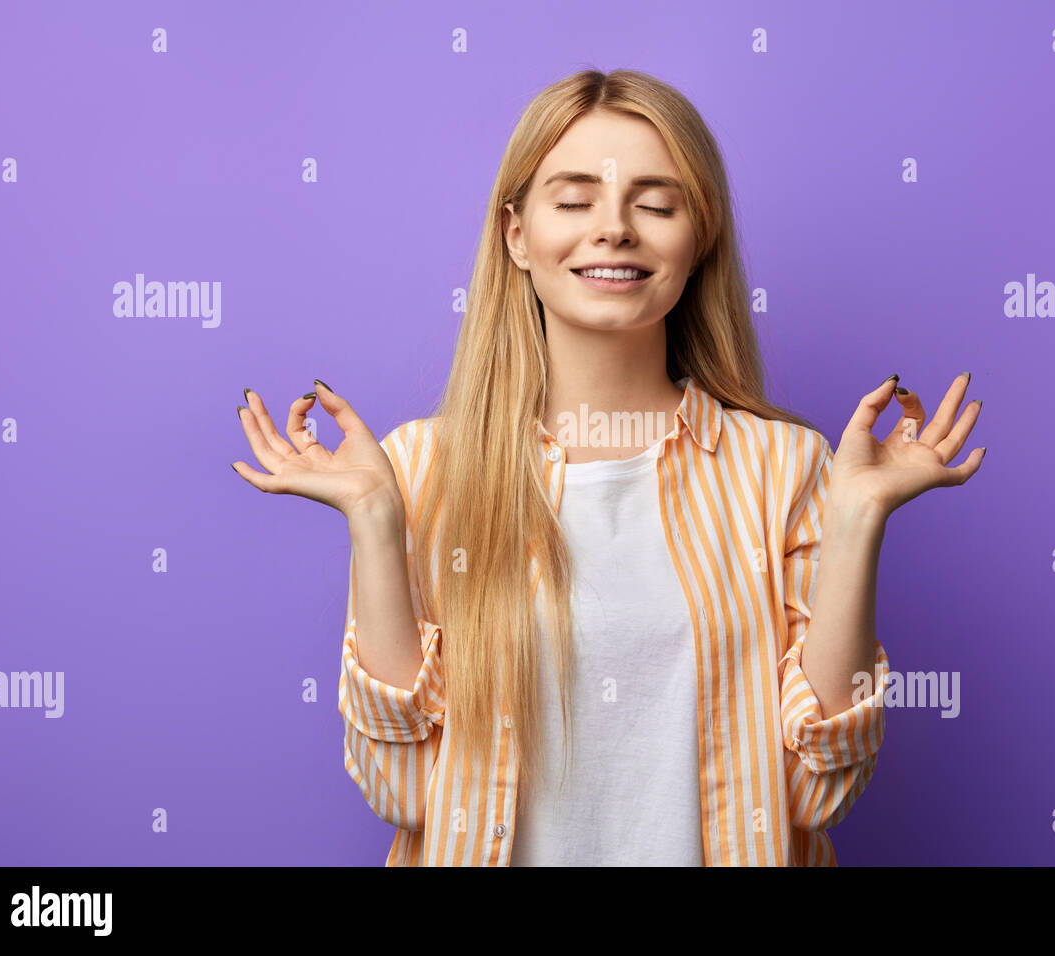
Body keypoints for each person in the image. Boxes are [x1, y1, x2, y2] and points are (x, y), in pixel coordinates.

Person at [232, 68, 985, 866]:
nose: (615, 229)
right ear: (516, 235)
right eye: (575, 199)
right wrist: (379, 524)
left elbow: (815, 792)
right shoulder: (415, 469)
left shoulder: (787, 467)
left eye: (656, 205)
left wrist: (857, 521)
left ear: (701, 240)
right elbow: (406, 792)